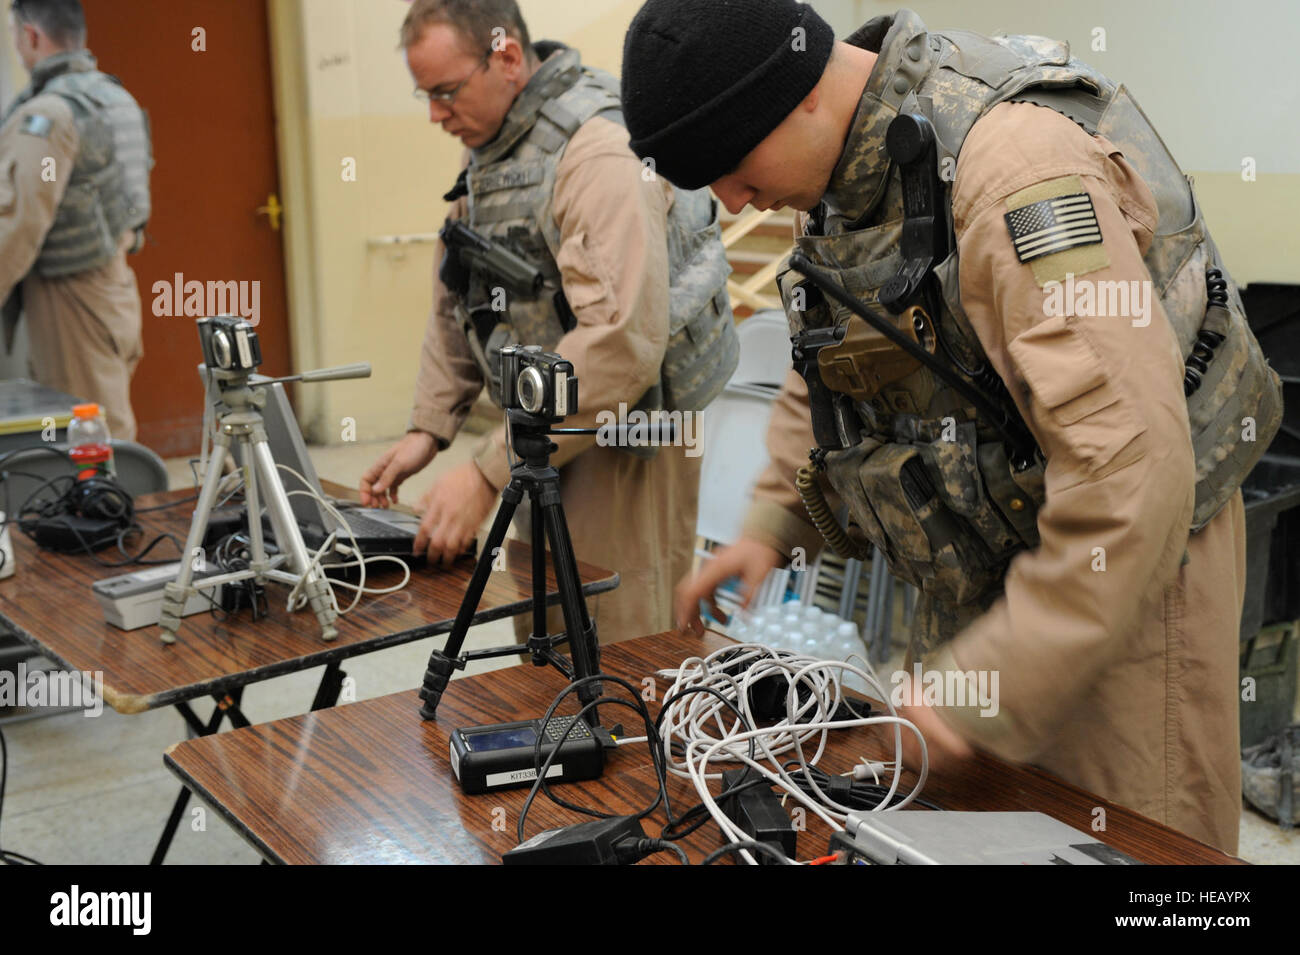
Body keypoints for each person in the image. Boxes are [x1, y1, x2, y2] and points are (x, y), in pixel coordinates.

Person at [621, 0, 1282, 854]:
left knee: (1122, 843)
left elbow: (1130, 471)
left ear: (801, 96)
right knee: (987, 824)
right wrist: (770, 524)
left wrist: (984, 684)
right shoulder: (840, 170)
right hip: (994, 549)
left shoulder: (1014, 170)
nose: (733, 200)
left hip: (1128, 563)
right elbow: (827, 354)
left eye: (734, 166)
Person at [360, 0, 733, 644]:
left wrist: (487, 470)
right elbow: (463, 290)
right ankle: (558, 739)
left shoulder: (596, 154)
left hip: (626, 429)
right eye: (425, 96)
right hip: (548, 423)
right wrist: (430, 427)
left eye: (445, 93)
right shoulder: (497, 143)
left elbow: (620, 347)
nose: (434, 115)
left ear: (504, 58)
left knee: (616, 632)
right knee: (546, 622)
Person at [0, 0, 150, 441]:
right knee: (107, 422)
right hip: (114, 287)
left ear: (30, 36)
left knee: (90, 441)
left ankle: (117, 512)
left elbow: (20, 225)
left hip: (69, 299)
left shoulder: (49, 115)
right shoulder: (116, 97)